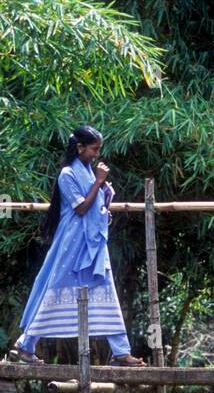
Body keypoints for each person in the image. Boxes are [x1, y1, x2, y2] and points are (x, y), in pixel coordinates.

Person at [10, 126, 146, 367]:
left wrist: (102, 190)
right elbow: (81, 207)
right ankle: (25, 344)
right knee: (55, 287)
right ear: (80, 147)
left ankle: (121, 352)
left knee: (105, 286)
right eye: (94, 149)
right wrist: (100, 182)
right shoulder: (67, 174)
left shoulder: (87, 172)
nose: (97, 154)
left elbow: (94, 207)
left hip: (92, 242)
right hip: (71, 242)